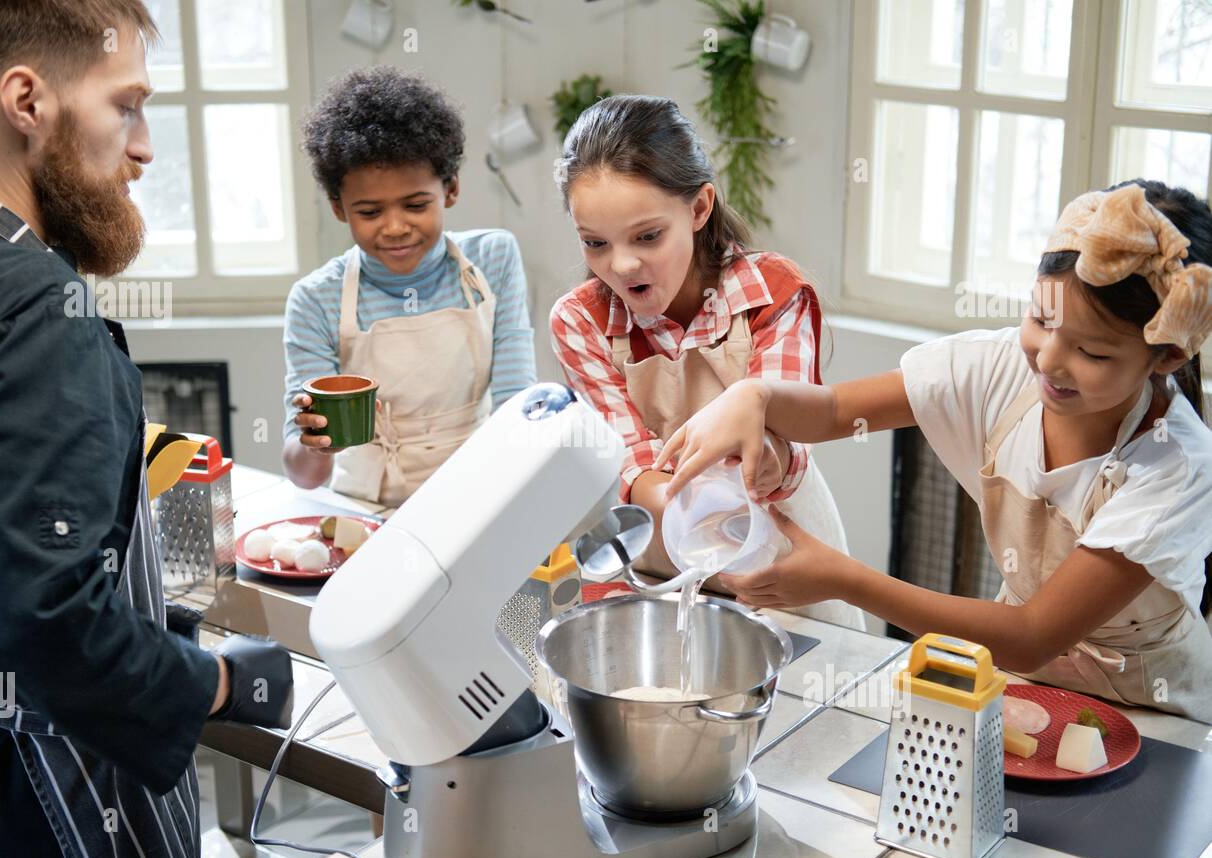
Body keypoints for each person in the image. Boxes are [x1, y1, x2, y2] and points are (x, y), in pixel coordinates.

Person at [0, 0, 292, 858]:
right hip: (60, 801)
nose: (146, 144)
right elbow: (49, 622)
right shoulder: (41, 311)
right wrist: (228, 682)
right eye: (125, 106)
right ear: (26, 101)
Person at [659, 181, 1212, 722]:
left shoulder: (1177, 469)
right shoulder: (999, 369)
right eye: (1041, 320)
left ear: (1164, 357)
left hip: (1149, 708)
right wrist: (756, 397)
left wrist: (842, 578)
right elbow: (832, 413)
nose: (1048, 360)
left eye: (1090, 352)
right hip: (1022, 684)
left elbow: (1033, 635)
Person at [549, 95, 862, 628]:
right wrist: (691, 519)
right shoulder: (580, 322)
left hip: (782, 550)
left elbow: (785, 444)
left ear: (698, 208)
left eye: (648, 236)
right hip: (662, 549)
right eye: (595, 243)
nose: (621, 265)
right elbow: (633, 464)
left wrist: (759, 462)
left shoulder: (772, 294)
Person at [283, 66, 536, 507]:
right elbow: (305, 477)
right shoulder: (315, 299)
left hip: (476, 497)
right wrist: (312, 445)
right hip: (366, 513)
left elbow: (516, 406)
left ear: (451, 189)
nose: (396, 227)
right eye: (369, 212)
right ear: (339, 208)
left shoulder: (493, 259)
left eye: (416, 205)